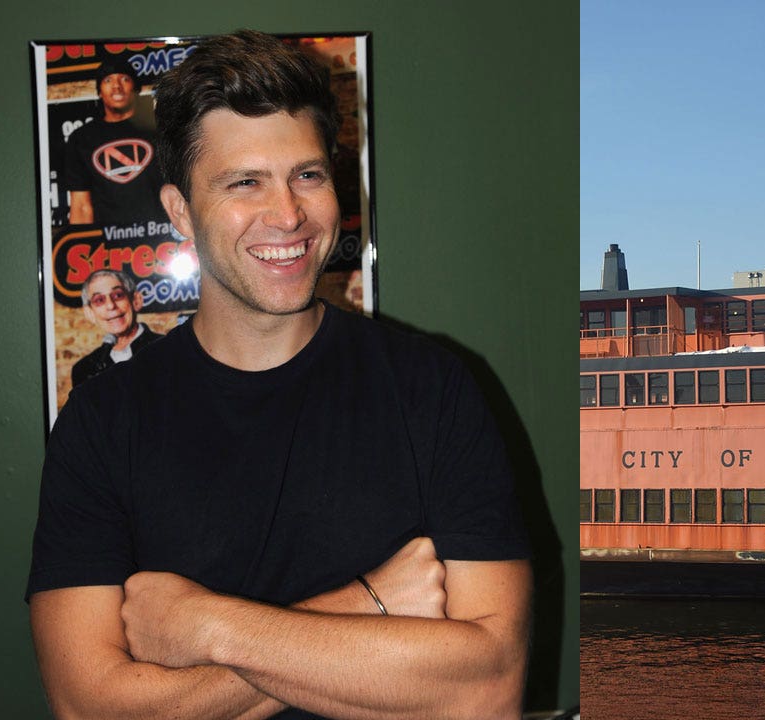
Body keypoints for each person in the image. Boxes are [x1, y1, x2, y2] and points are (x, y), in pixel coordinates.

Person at [28, 30, 531, 720]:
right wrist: (369, 606)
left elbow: (487, 690)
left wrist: (209, 627)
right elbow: (91, 708)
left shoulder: (436, 390)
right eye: (245, 183)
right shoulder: (101, 420)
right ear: (179, 212)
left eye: (308, 175)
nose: (289, 214)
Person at [61, 58, 167, 225]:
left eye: (125, 79)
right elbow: (81, 206)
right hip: (107, 244)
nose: (117, 86)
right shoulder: (81, 139)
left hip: (158, 237)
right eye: (108, 80)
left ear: (136, 89)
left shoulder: (160, 130)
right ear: (99, 91)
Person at [70, 269, 163, 388]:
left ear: (136, 300)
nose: (110, 305)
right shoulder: (84, 370)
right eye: (99, 300)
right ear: (89, 313)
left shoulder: (168, 350)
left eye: (118, 295)